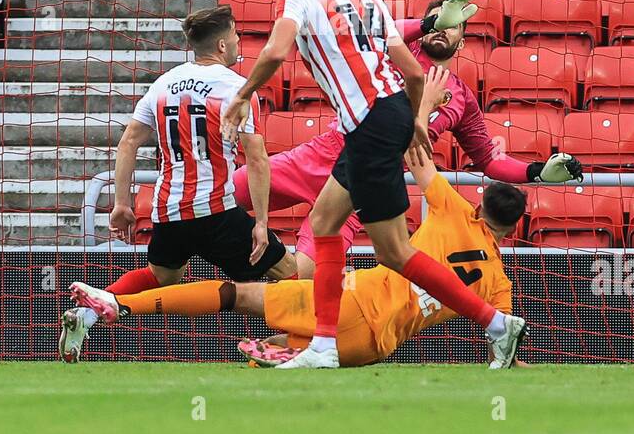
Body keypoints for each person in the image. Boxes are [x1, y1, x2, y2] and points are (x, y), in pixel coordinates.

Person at [220, 0, 527, 369]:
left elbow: (272, 53)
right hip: (380, 122)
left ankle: (497, 325)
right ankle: (323, 345)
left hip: (368, 126)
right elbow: (415, 74)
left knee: (394, 253)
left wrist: (244, 94)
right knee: (324, 224)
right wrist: (414, 124)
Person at [68, 88, 525, 369]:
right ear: (512, 225)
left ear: (480, 202)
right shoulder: (500, 279)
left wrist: (422, 106)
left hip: (349, 299)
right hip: (372, 345)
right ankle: (291, 345)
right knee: (289, 296)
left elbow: (417, 154)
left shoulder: (450, 208)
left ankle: (117, 306)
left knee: (240, 293)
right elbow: (505, 355)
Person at [229, 0, 584, 277]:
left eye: (455, 26)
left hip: (363, 183)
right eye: (441, 22)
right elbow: (373, 31)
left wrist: (535, 172)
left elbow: (489, 160)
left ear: (462, 42)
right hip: (322, 154)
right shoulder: (394, 52)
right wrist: (428, 22)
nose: (445, 30)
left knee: (303, 274)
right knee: (223, 194)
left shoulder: (462, 99)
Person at [59, 5, 295, 362]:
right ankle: (303, 345)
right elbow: (257, 158)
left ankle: (91, 311)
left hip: (168, 211)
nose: (237, 42)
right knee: (290, 273)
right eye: (234, 36)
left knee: (161, 278)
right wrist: (261, 222)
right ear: (220, 46)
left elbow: (128, 142)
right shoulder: (237, 89)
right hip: (216, 211)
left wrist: (121, 205)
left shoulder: (163, 84)